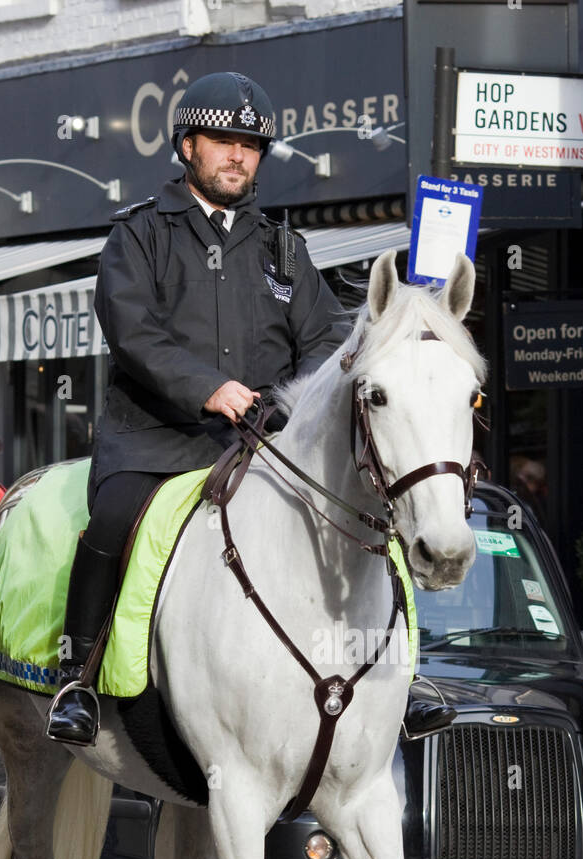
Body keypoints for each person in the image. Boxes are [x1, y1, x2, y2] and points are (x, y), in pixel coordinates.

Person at [46, 70, 453, 745]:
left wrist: (296, 399)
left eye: (252, 145)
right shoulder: (137, 237)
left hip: (264, 444)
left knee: (371, 521)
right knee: (115, 517)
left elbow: (327, 337)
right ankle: (79, 679)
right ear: (188, 147)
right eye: (223, 141)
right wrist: (209, 387)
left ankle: (406, 679)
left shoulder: (285, 248)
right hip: (157, 440)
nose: (239, 155)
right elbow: (134, 332)